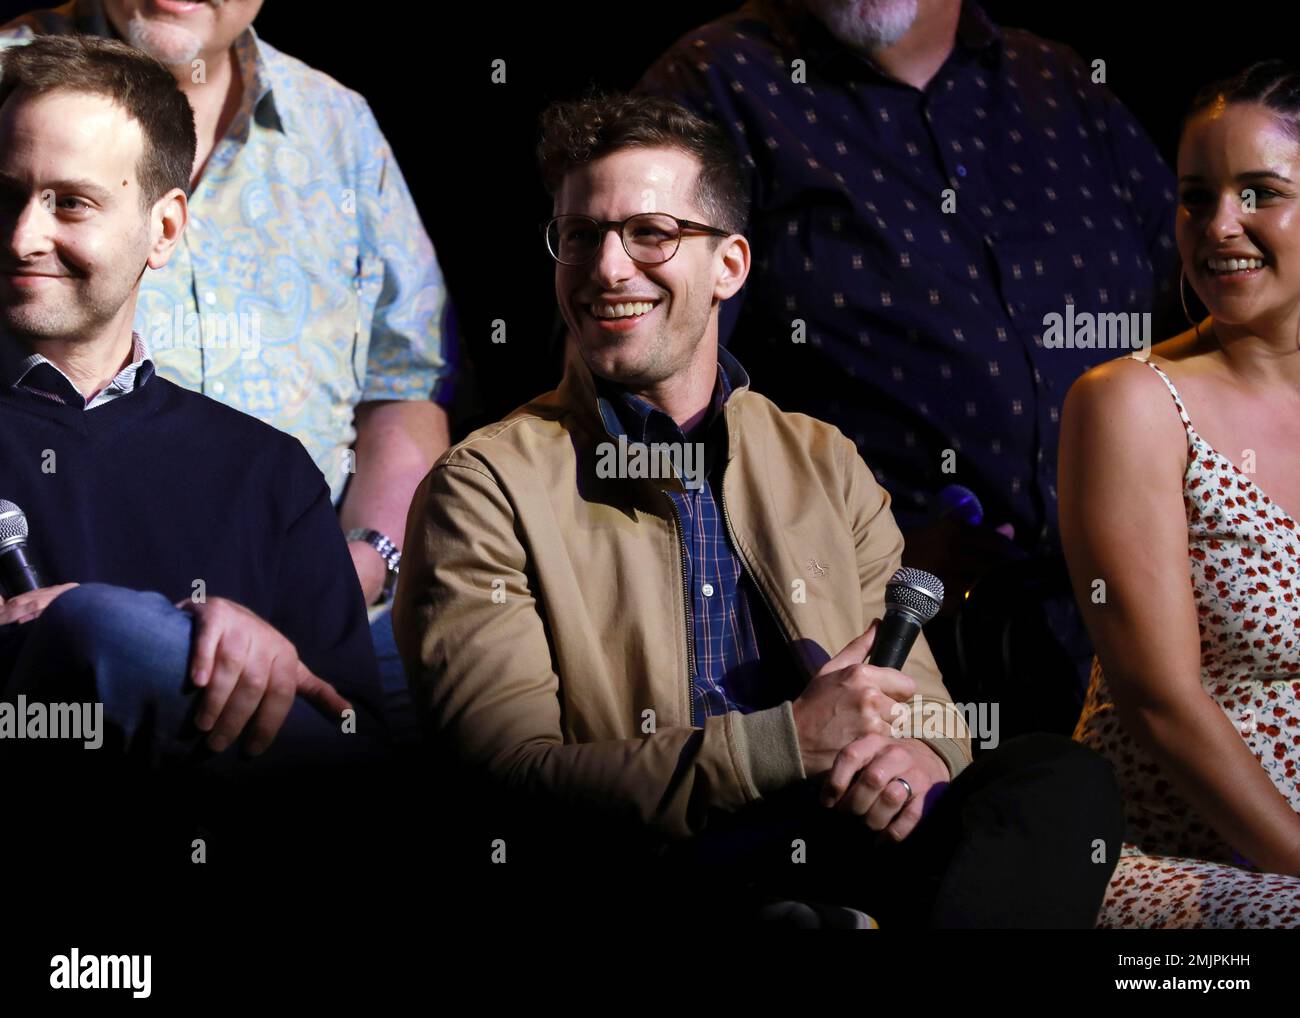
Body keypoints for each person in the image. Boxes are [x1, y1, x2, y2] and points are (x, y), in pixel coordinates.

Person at [394, 91, 1125, 928]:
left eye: (650, 234)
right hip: (652, 868)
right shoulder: (485, 484)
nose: (606, 268)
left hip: (841, 841)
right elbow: (512, 784)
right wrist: (788, 740)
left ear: (729, 267)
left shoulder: (822, 458)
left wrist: (918, 758)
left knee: (1057, 778)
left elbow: (921, 698)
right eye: (581, 236)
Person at [636, 0, 1181, 731]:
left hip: (1132, 621)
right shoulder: (719, 80)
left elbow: (1204, 310)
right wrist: (848, 548)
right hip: (875, 652)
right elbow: (648, 394)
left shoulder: (1058, 81)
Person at [0, 1, 457, 742]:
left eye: (74, 203)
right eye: (9, 195)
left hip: (324, 606)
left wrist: (352, 566)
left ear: (165, 228)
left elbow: (403, 378)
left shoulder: (338, 124)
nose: (27, 235)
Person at [1061, 60, 1300, 928]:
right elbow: (1161, 702)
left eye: (1259, 192)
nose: (1220, 225)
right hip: (1177, 861)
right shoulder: (1129, 402)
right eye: (1197, 198)